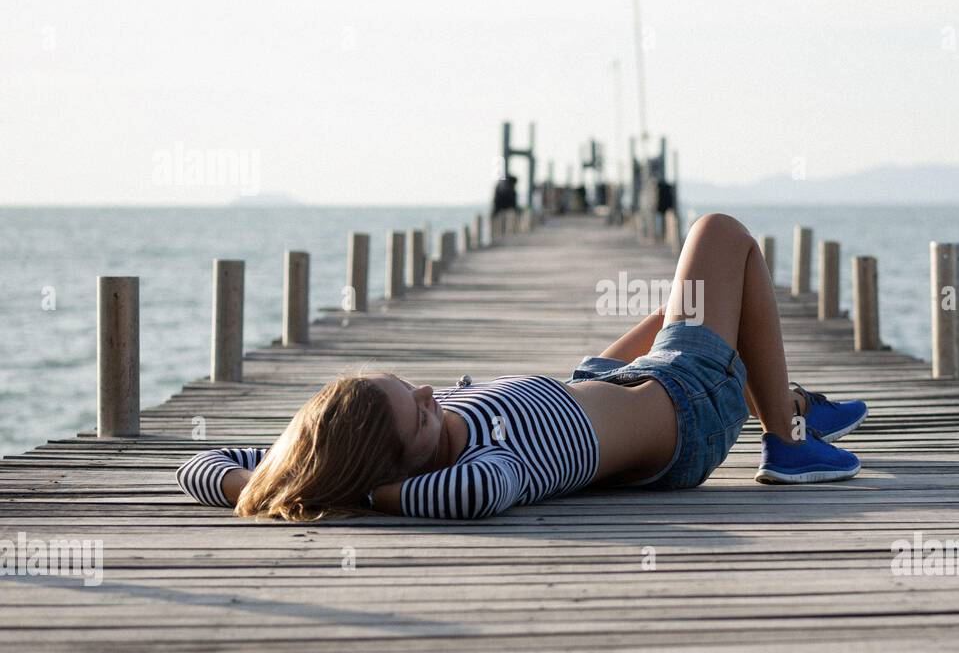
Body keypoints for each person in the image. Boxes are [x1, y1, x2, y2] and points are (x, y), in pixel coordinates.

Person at [176, 213, 868, 521]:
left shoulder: (407, 448)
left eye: (408, 385)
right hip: (685, 407)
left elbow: (200, 465)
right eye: (417, 410)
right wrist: (360, 495)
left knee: (683, 307)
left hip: (607, 380)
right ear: (398, 467)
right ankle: (787, 438)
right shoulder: (487, 469)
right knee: (719, 235)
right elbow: (473, 496)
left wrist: (284, 477)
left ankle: (790, 402)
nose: (425, 392)